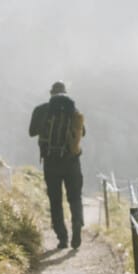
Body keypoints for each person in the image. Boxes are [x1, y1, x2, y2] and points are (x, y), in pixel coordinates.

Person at [29, 80, 85, 249]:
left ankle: (62, 237)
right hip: (72, 162)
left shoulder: (41, 110)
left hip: (51, 162)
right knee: (75, 197)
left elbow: (31, 132)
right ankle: (77, 224)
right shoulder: (73, 110)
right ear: (65, 92)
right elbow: (82, 132)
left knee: (55, 200)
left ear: (51, 93)